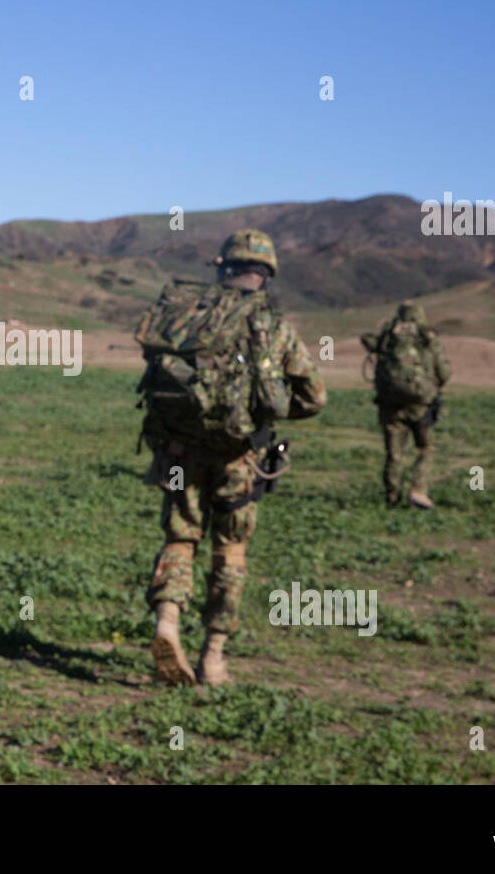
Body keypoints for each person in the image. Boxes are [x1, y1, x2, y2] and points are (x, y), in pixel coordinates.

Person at [137, 229, 325, 686]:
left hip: (178, 453)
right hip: (237, 457)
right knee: (230, 551)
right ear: (266, 275)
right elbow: (314, 396)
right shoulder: (272, 326)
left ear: (223, 267)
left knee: (180, 537)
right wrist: (268, 411)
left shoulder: (189, 313)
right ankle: (214, 656)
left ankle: (167, 621)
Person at [360, 302, 450, 509]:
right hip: (421, 406)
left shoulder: (389, 337)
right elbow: (444, 372)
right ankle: (418, 489)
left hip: (390, 406)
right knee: (426, 448)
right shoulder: (426, 338)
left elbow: (367, 342)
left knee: (394, 454)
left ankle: (392, 499)